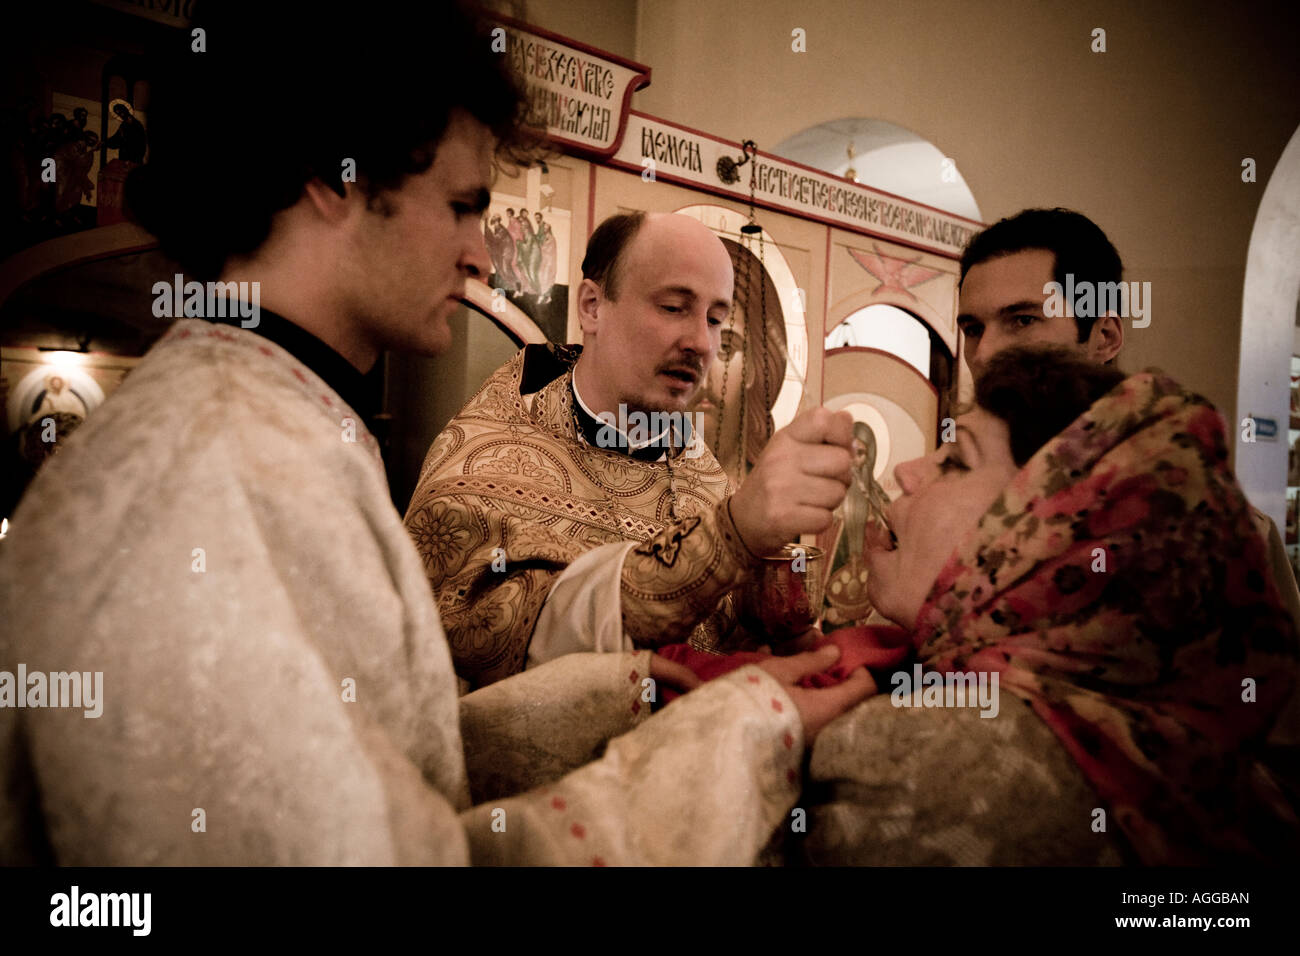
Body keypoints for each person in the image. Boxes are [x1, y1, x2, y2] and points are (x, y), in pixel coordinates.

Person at [0, 0, 875, 866]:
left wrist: (629, 692)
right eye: (461, 204)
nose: (481, 257)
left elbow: (376, 757)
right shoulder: (211, 475)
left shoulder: (274, 425)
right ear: (332, 178)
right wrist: (739, 737)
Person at [795, 346, 1299, 864]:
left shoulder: (911, 758)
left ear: (1046, 538)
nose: (905, 471)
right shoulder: (1208, 764)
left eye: (956, 461)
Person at [405, 209, 861, 688]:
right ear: (592, 306)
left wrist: (779, 633)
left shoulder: (709, 481)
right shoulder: (480, 461)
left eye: (715, 319)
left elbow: (728, 657)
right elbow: (496, 640)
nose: (700, 343)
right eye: (673, 308)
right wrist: (732, 535)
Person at [956, 207, 1300, 747]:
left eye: (1022, 321)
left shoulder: (1213, 535)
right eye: (972, 328)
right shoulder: (947, 511)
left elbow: (1277, 742)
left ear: (1105, 335)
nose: (984, 353)